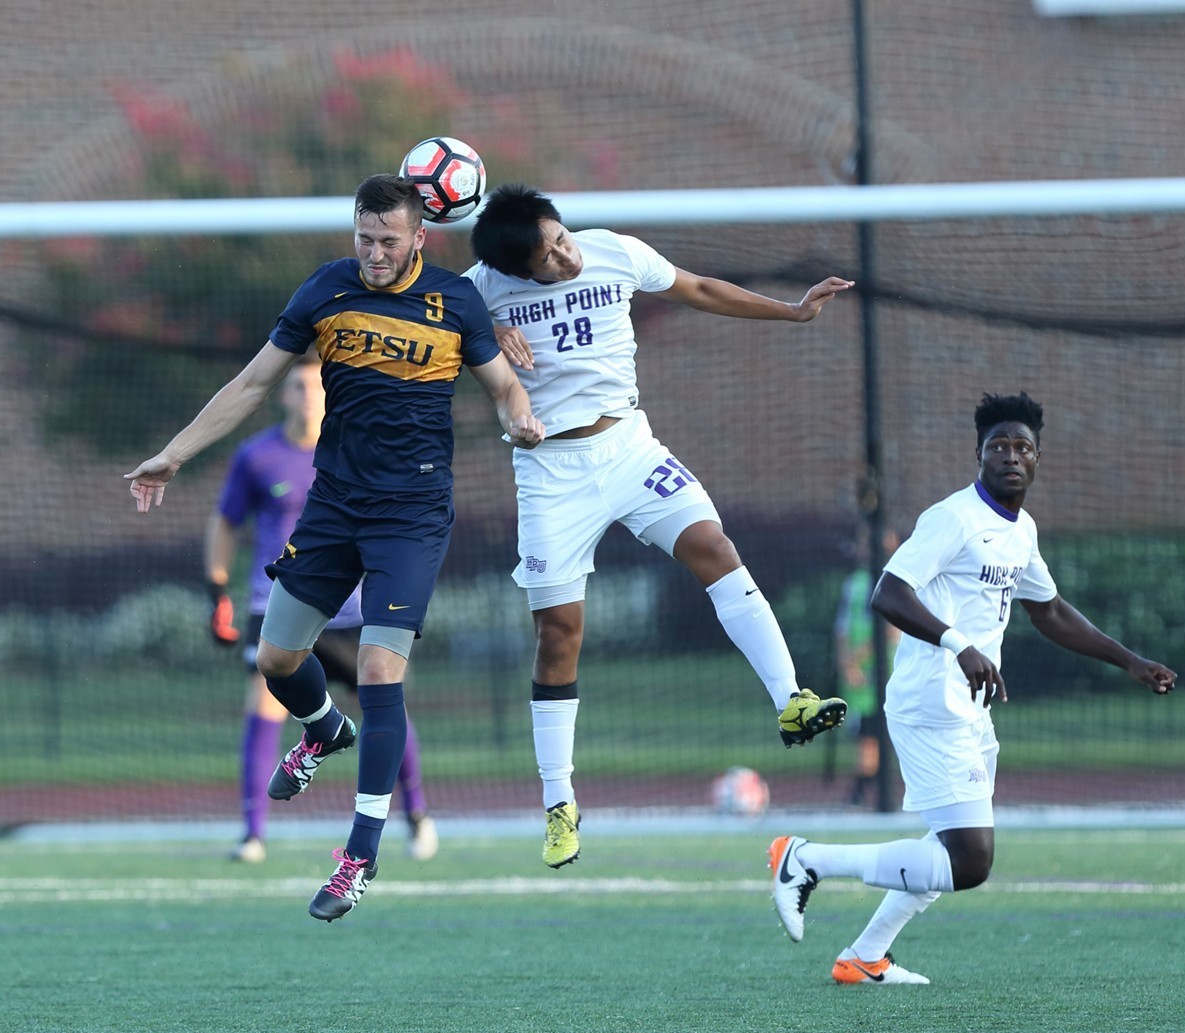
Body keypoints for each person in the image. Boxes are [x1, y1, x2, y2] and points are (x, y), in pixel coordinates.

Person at [127, 174, 544, 922]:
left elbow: (504, 388)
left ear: (421, 237)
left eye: (389, 240)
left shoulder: (456, 302)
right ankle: (323, 728)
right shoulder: (326, 290)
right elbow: (254, 382)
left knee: (383, 671)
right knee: (278, 660)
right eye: (364, 239)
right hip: (334, 507)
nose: (375, 253)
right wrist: (175, 452)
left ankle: (358, 856)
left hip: (412, 513)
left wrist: (520, 419)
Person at [464, 183, 854, 869]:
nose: (565, 258)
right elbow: (431, 320)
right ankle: (559, 802)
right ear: (516, 272)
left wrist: (792, 314)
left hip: (632, 448)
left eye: (561, 240)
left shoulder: (614, 251)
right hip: (552, 472)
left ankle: (790, 700)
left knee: (713, 546)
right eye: (547, 260)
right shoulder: (479, 289)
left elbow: (699, 288)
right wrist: (484, 329)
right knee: (559, 634)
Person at [768, 392, 1177, 984]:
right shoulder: (953, 518)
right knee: (969, 861)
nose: (1011, 456)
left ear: (1038, 459)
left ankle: (864, 958)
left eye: (1023, 447)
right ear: (979, 455)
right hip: (931, 702)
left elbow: (1051, 610)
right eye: (999, 447)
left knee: (947, 849)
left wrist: (1129, 660)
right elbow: (889, 592)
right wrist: (959, 644)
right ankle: (805, 860)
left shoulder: (1020, 529)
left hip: (968, 708)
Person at [206, 354, 437, 866]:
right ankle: (253, 834)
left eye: (316, 387)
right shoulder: (256, 457)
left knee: (383, 703)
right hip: (278, 603)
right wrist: (216, 589)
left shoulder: (357, 451)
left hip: (353, 610)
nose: (307, 395)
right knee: (263, 702)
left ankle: (418, 816)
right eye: (296, 387)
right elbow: (225, 522)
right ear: (284, 395)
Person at [834, 525, 901, 809]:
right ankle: (863, 794)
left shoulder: (895, 581)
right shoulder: (856, 582)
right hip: (860, 675)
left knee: (879, 737)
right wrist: (846, 663)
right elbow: (842, 627)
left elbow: (891, 629)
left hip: (885, 673)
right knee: (866, 736)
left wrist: (855, 660)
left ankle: (861, 795)